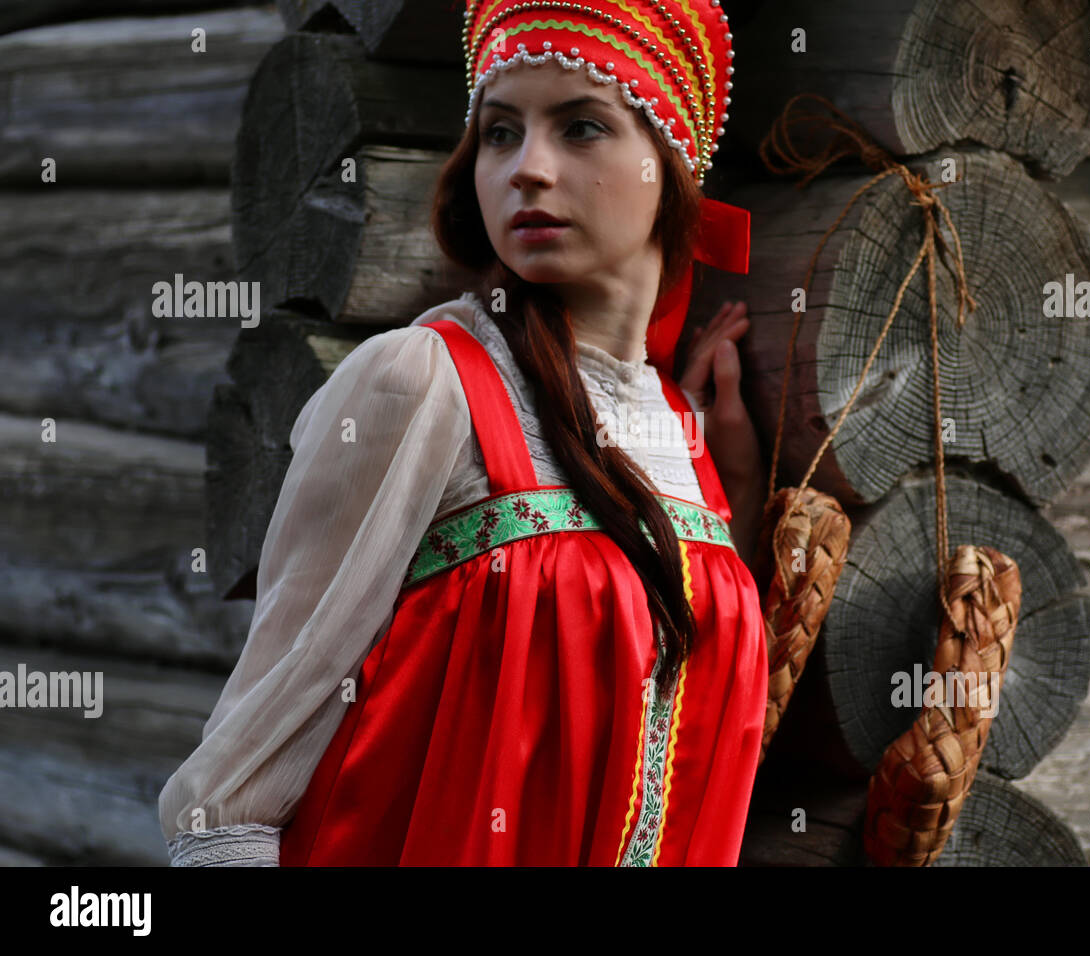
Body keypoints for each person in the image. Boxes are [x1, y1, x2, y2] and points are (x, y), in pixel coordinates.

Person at [158, 0, 768, 866]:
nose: (528, 169)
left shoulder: (685, 438)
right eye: (500, 133)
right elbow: (227, 797)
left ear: (672, 164)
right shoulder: (422, 380)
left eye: (582, 128)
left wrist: (734, 492)